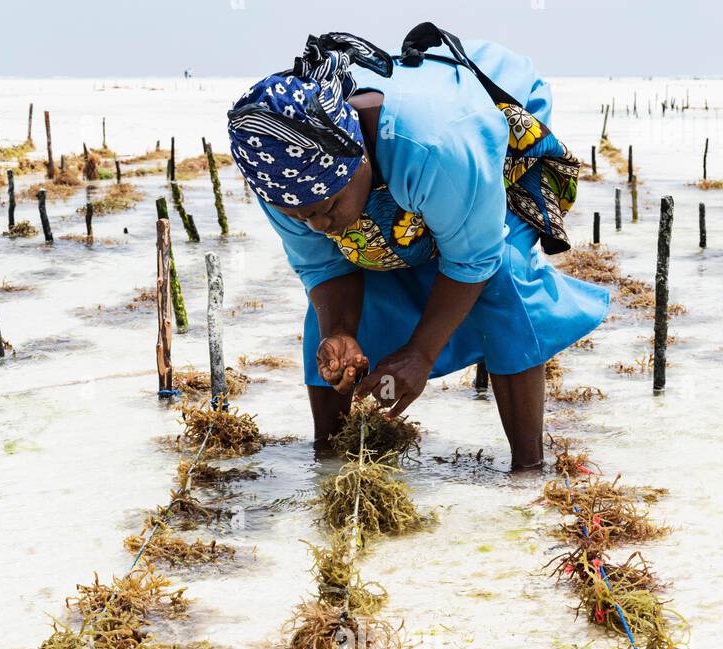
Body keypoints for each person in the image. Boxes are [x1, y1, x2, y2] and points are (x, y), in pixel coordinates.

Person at [228, 25, 608, 470]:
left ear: (358, 160)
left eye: (328, 206)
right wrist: (340, 332)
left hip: (496, 124)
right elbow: (325, 269)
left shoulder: (434, 145)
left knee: (502, 278)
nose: (316, 223)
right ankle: (327, 461)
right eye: (300, 216)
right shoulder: (280, 175)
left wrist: (421, 353)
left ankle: (528, 469)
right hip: (417, 164)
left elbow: (475, 258)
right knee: (329, 320)